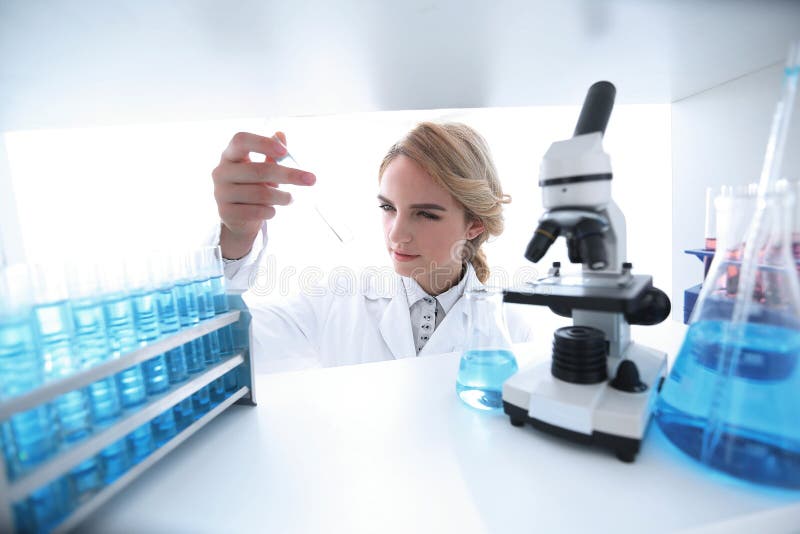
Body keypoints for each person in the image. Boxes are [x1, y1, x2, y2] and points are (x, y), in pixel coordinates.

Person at [211, 122, 533, 370]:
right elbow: (221, 344)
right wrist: (235, 239)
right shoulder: (337, 300)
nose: (396, 235)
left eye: (425, 214)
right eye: (388, 208)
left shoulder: (512, 329)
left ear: (474, 223)